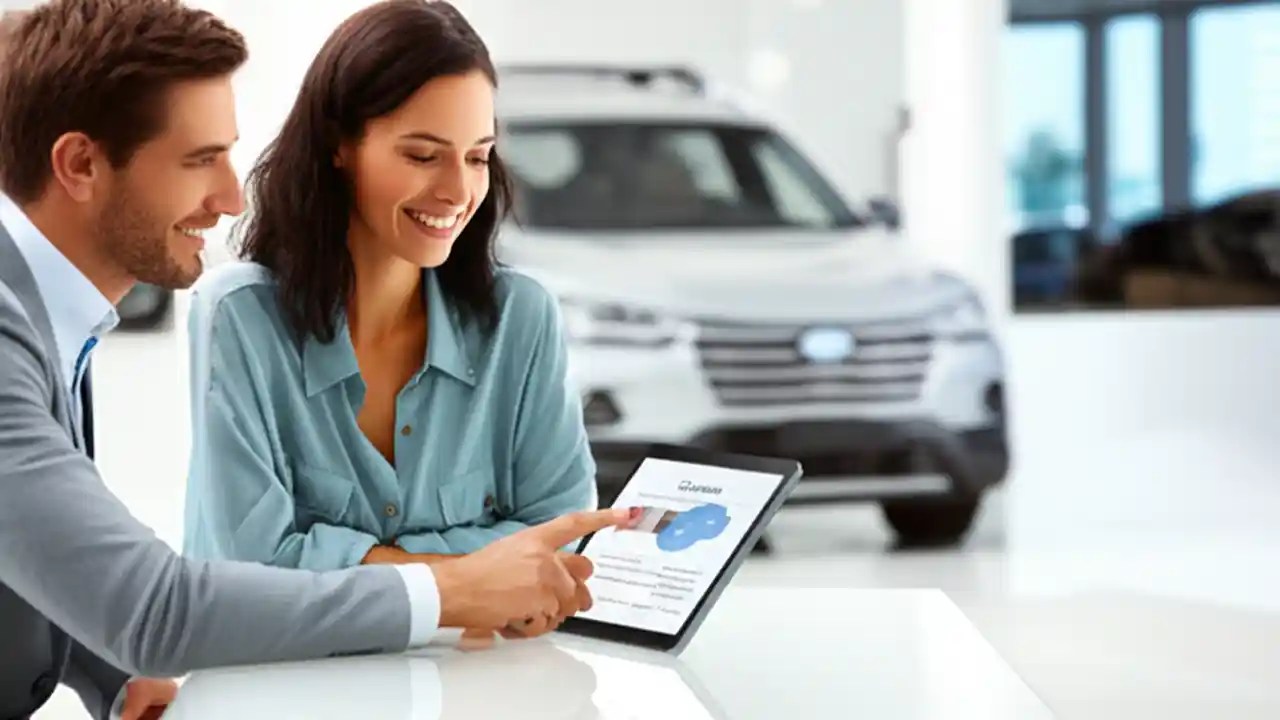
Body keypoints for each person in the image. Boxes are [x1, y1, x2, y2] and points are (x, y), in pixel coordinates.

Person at [0, 2, 632, 719]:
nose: (231, 196)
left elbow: (39, 544)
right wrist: (459, 587)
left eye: (478, 155)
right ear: (81, 164)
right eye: (201, 159)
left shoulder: (51, 317)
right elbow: (163, 605)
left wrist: (113, 679)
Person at [182, 0, 598, 642]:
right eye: (423, 155)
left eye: (477, 157)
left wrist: (333, 561)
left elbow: (559, 545)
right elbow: (246, 570)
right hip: (275, 686)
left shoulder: (522, 319)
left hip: (477, 686)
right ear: (339, 145)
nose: (458, 191)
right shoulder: (238, 317)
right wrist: (476, 581)